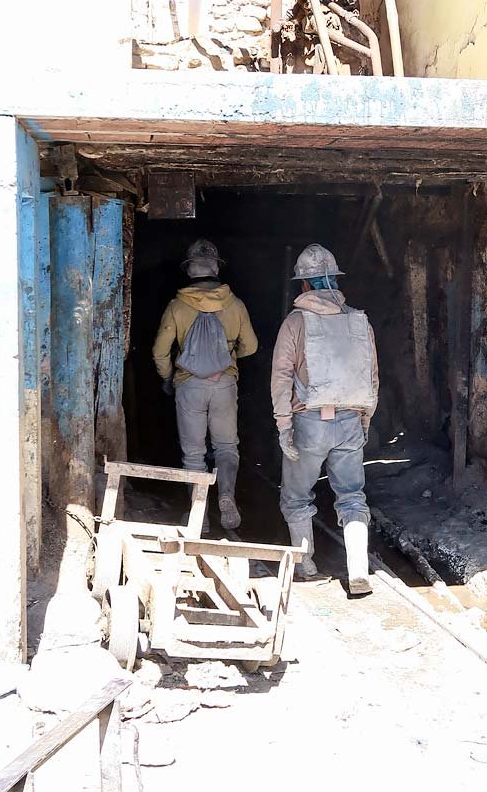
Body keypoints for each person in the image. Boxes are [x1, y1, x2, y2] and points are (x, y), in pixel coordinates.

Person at [271, 243, 379, 596]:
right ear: (335, 281)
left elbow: (282, 377)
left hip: (309, 424)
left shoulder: (294, 323)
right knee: (351, 497)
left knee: (296, 497)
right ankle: (358, 569)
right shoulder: (359, 321)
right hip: (350, 419)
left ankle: (306, 564)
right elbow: (371, 377)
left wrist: (284, 425)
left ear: (304, 285)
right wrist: (364, 421)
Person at [153, 238, 258, 533]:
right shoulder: (235, 304)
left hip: (189, 386)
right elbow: (250, 346)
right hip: (224, 383)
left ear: (189, 271)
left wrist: (167, 377)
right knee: (226, 447)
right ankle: (226, 494)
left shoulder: (176, 306)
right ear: (216, 268)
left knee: (193, 454)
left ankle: (200, 513)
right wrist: (226, 355)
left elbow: (159, 351)